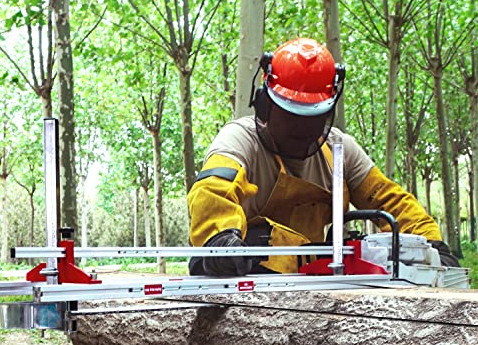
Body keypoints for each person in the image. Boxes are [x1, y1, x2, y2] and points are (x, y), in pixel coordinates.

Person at [187, 37, 459, 276]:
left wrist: (431, 246)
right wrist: (221, 240)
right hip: (249, 275)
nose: (300, 129)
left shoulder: (340, 150)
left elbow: (392, 202)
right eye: (291, 116)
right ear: (264, 105)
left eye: (310, 118)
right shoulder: (239, 140)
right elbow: (211, 193)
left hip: (315, 278)